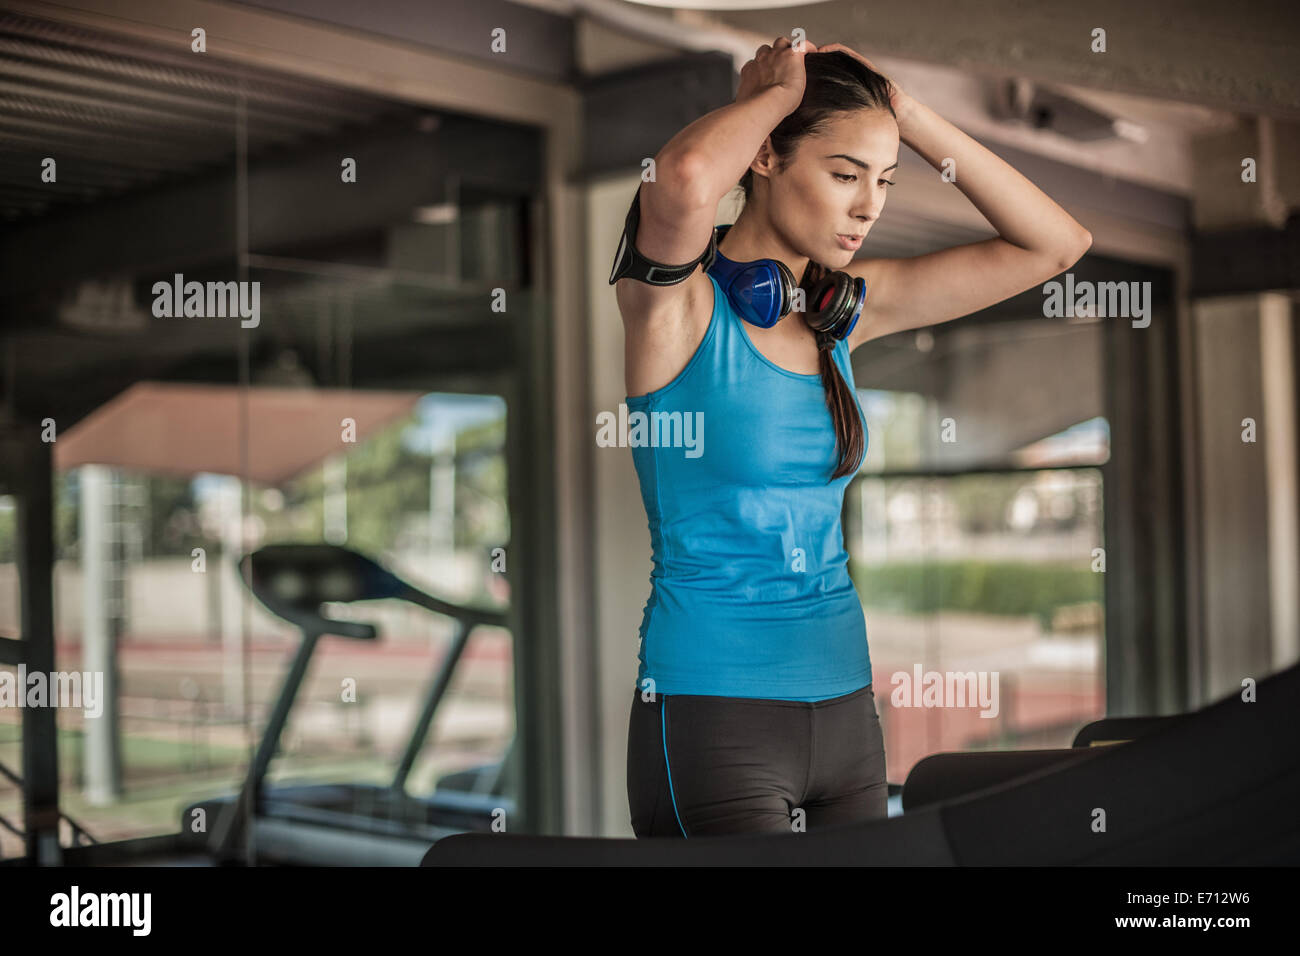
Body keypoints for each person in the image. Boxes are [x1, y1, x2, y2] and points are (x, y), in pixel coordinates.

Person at [615, 37, 1092, 837]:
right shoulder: (674, 309)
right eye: (845, 175)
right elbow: (688, 179)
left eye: (884, 181)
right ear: (765, 156)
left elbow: (1057, 245)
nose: (870, 206)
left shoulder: (843, 316)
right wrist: (768, 96)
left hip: (844, 709)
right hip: (713, 709)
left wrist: (904, 111)